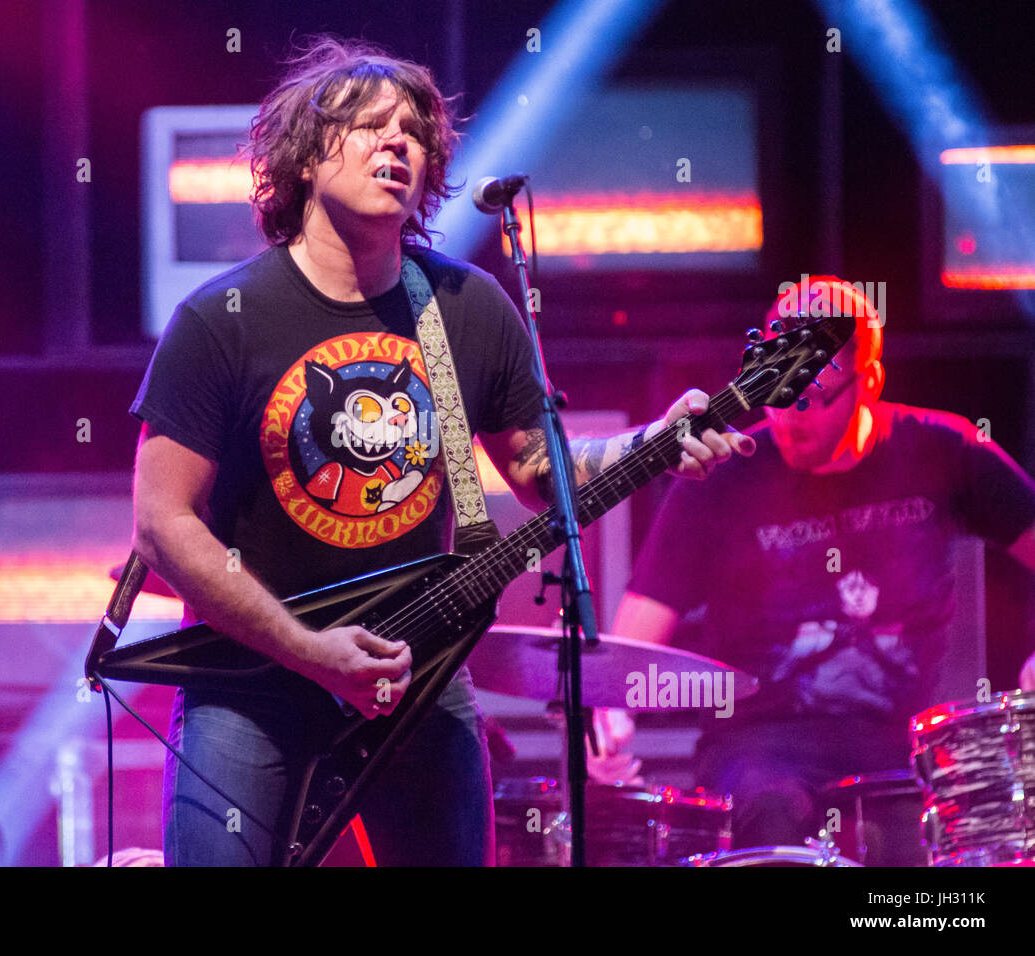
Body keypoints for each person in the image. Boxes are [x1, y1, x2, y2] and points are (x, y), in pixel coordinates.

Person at [128, 37, 752, 866]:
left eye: (414, 134)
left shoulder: (465, 307)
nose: (399, 143)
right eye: (371, 126)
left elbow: (544, 477)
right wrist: (311, 651)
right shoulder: (222, 320)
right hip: (250, 683)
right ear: (309, 158)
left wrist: (658, 442)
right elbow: (162, 523)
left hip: (412, 672)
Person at [611, 276, 1035, 849]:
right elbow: (631, 647)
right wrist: (610, 717)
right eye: (777, 393)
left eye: (810, 398)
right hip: (758, 742)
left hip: (899, 743)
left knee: (929, 838)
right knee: (771, 814)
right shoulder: (721, 480)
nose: (788, 417)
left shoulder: (944, 448)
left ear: (871, 381)